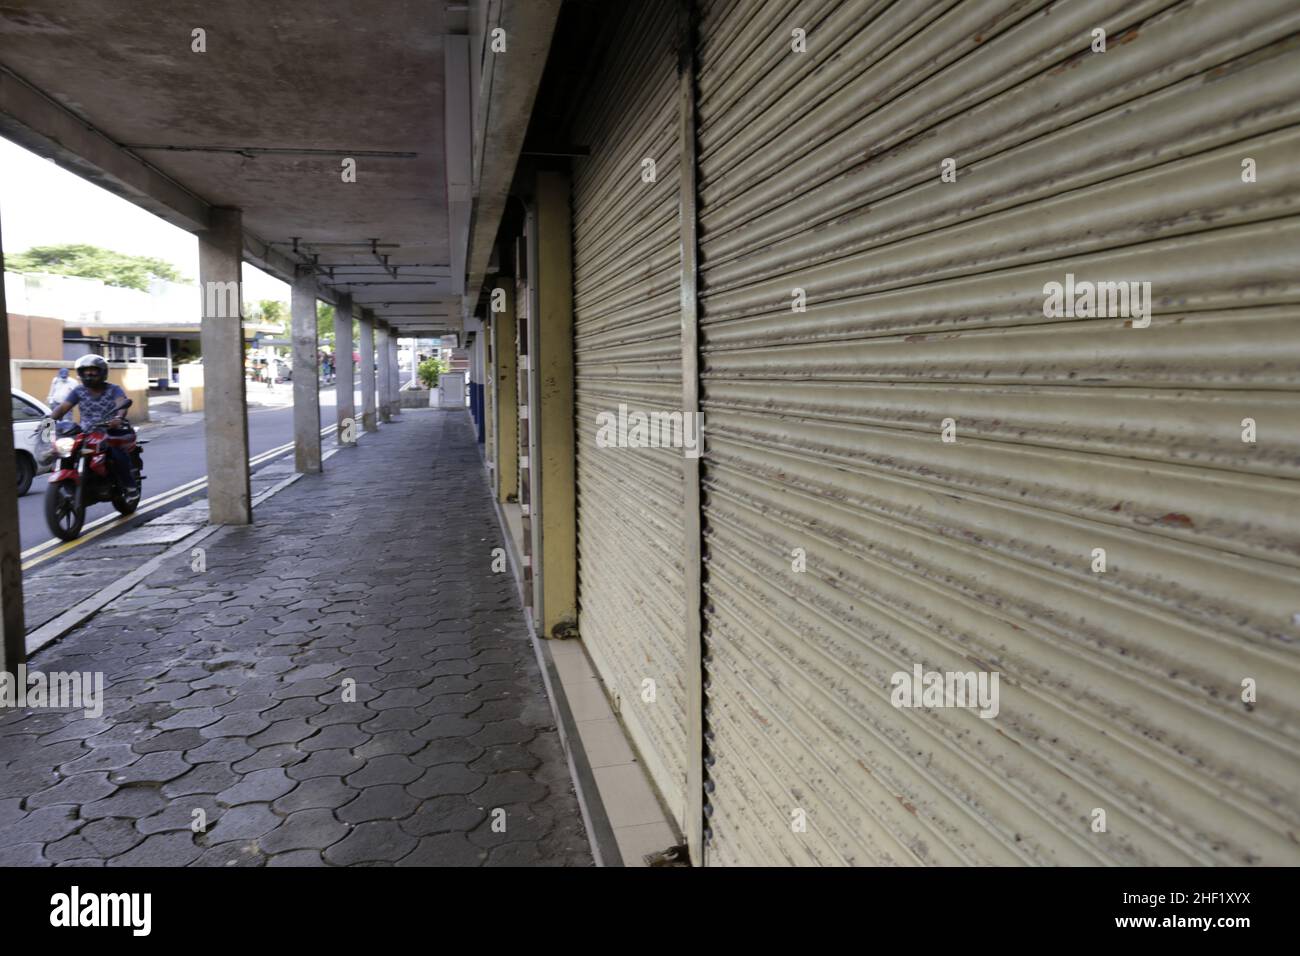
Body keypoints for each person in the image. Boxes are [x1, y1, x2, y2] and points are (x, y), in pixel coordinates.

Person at [48, 354, 137, 494]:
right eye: (85, 371)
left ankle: (129, 485)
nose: (89, 375)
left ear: (102, 372)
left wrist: (118, 418)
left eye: (93, 371)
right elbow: (63, 407)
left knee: (117, 452)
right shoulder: (78, 391)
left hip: (110, 429)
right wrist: (48, 420)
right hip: (86, 432)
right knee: (65, 451)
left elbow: (121, 403)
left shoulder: (114, 389)